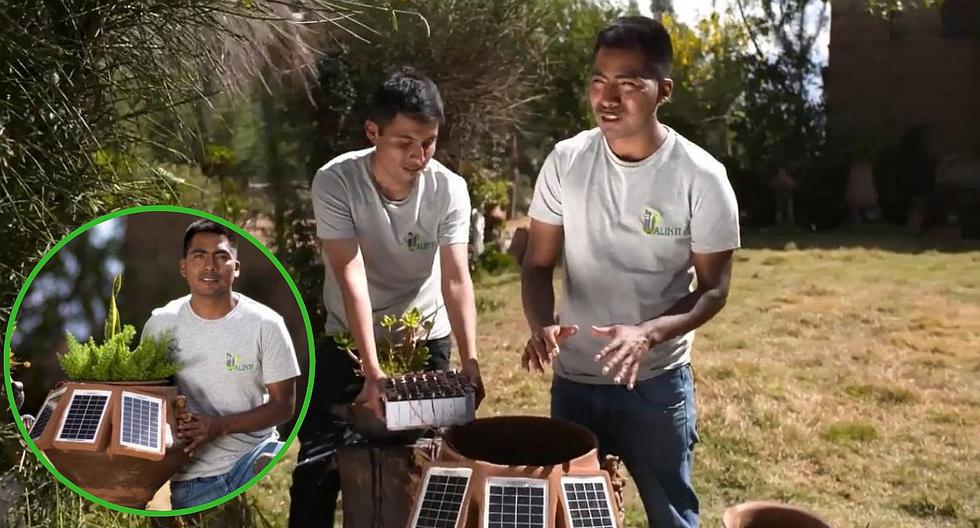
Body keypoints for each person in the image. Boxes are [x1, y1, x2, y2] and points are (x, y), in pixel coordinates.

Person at [520, 16, 739, 528]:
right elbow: (537, 263)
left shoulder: (701, 177)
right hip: (574, 382)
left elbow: (714, 290)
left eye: (629, 84)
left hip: (656, 383)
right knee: (570, 518)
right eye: (599, 81)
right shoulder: (566, 161)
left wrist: (646, 334)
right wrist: (541, 324)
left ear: (664, 90)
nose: (609, 98)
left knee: (672, 517)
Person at [290, 67, 484, 528]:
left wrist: (471, 362)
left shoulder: (449, 189)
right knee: (317, 469)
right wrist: (373, 371)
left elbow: (456, 279)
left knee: (433, 468)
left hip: (424, 337)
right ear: (373, 132)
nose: (419, 156)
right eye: (404, 143)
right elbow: (350, 273)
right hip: (349, 340)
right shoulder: (336, 181)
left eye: (429, 142)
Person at [141, 219, 301, 509]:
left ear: (236, 268)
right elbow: (145, 398)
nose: (210, 266)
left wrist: (218, 426)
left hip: (255, 459)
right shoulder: (161, 325)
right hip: (193, 479)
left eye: (221, 256)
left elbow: (284, 406)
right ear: (183, 267)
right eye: (199, 256)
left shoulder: (266, 324)